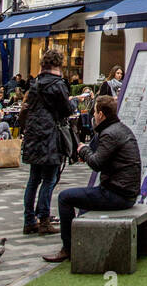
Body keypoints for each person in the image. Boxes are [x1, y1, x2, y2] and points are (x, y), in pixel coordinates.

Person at [43, 95, 141, 263]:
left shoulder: (110, 133)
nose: (93, 115)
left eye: (95, 112)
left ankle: (68, 248)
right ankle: (81, 243)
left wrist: (83, 150)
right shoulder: (120, 129)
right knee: (83, 201)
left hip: (118, 194)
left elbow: (97, 163)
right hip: (126, 191)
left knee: (64, 198)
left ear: (101, 114)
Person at [19, 48, 74, 236]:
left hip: (33, 134)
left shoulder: (35, 84)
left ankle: (28, 220)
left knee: (33, 179)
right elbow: (67, 109)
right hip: (50, 134)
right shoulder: (57, 85)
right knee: (49, 178)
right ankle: (43, 220)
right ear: (58, 64)